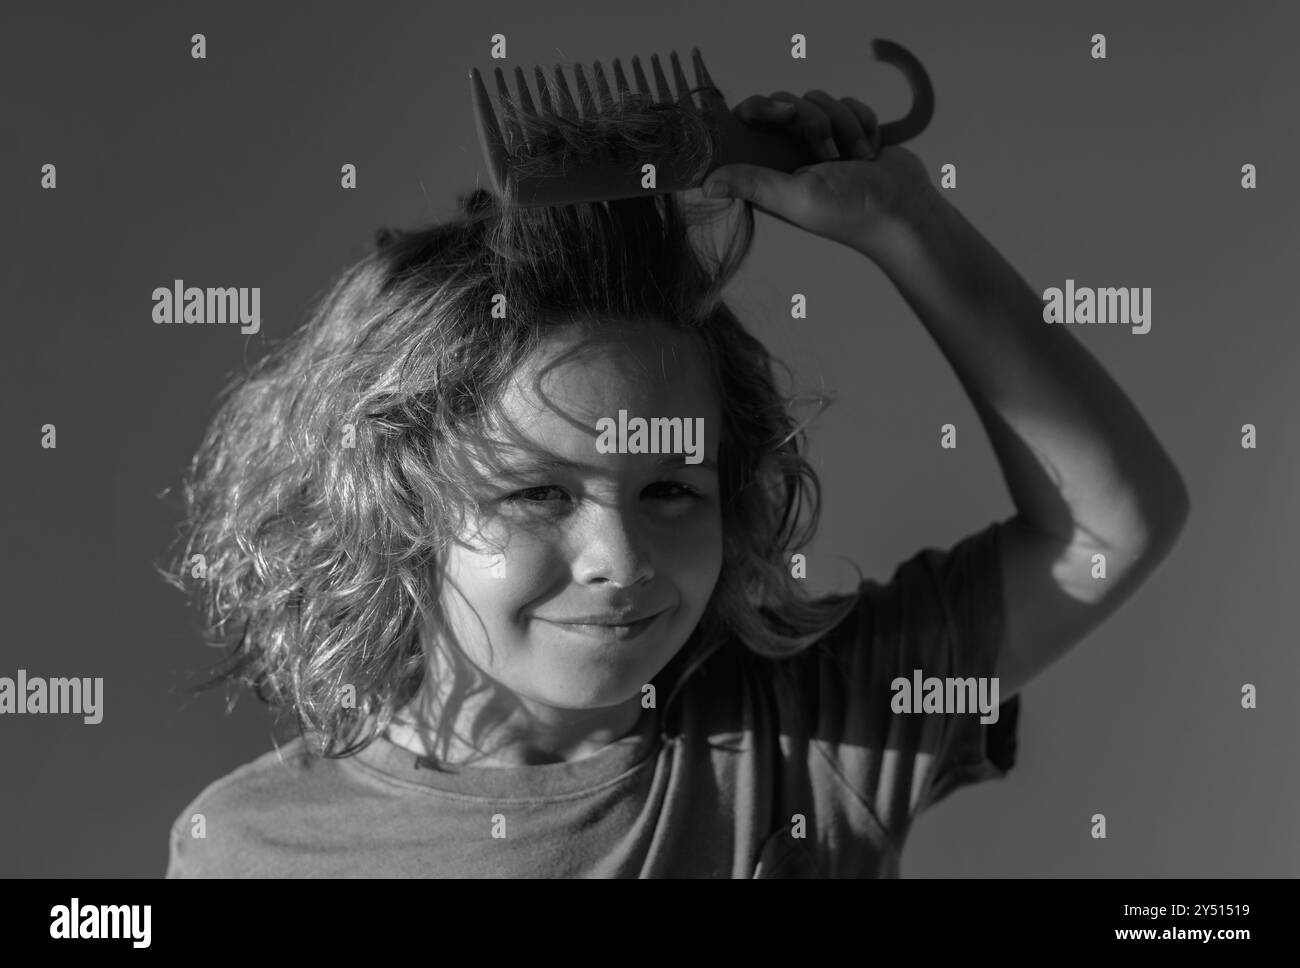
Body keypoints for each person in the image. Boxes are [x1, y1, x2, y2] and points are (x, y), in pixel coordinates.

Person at [163, 89, 1188, 877]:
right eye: (537, 494)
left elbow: (1110, 522)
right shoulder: (251, 847)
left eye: (668, 490)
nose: (619, 560)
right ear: (396, 505)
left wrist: (903, 223)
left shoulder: (811, 728)